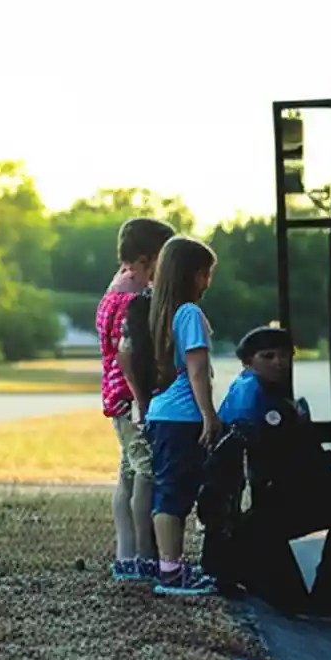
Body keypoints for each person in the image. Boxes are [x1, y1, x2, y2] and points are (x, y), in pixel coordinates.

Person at [210, 326, 331, 624]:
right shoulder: (261, 403)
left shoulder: (246, 388)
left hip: (251, 517)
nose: (278, 362)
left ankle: (250, 572)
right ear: (248, 361)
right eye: (268, 356)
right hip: (259, 521)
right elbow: (292, 468)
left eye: (284, 355)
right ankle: (325, 595)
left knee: (292, 602)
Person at [95, 218, 176, 582]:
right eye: (164, 260)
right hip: (132, 397)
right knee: (146, 472)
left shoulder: (112, 292)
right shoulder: (134, 298)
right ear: (147, 259)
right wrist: (143, 399)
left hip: (116, 396)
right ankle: (146, 555)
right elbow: (130, 351)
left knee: (128, 472)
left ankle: (125, 554)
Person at [143, 235, 221, 595]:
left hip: (163, 412)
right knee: (174, 495)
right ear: (189, 274)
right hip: (182, 415)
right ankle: (171, 573)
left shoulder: (160, 311)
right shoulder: (188, 313)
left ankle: (170, 568)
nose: (208, 281)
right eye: (204, 273)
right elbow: (197, 370)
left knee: (170, 490)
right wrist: (209, 415)